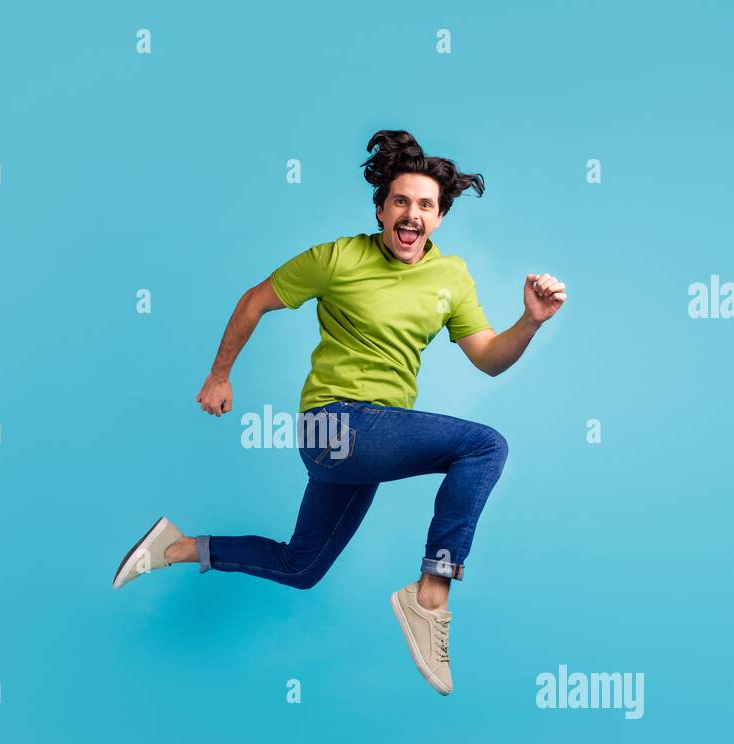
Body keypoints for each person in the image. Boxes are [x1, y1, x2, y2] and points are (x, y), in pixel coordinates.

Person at [112, 130, 567, 695]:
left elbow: (489, 359)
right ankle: (432, 595)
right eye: (400, 201)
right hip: (333, 426)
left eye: (426, 205)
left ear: (439, 218)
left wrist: (530, 322)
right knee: (485, 445)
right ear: (381, 209)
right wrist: (220, 374)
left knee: (302, 567)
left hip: (371, 446)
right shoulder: (338, 258)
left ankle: (175, 547)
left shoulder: (451, 278)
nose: (411, 214)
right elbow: (255, 300)